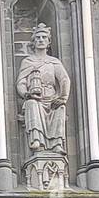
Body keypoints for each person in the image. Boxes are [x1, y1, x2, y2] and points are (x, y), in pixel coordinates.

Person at [16, 23, 69, 154]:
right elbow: (21, 82)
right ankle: (36, 139)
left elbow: (64, 79)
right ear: (33, 42)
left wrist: (63, 97)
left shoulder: (53, 62)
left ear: (48, 42)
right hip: (35, 97)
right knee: (31, 104)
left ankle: (57, 143)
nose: (40, 40)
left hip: (51, 97)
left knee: (60, 108)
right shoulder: (28, 62)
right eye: (38, 37)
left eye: (44, 37)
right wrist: (26, 94)